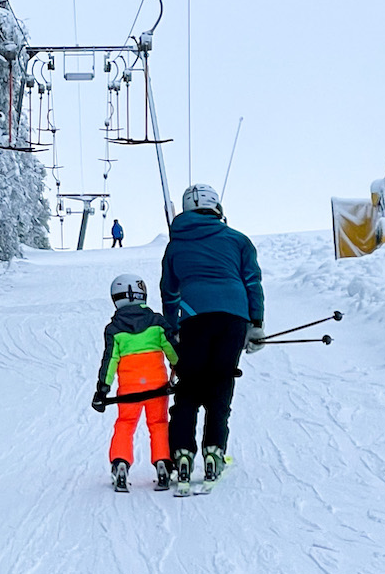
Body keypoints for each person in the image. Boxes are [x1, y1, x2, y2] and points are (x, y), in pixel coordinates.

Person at [159, 183, 263, 490]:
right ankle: (214, 450)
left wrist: (172, 327)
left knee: (189, 386)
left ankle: (181, 452)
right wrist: (255, 324)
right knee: (221, 381)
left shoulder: (175, 245)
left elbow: (169, 290)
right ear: (217, 208)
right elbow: (252, 282)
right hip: (233, 317)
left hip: (192, 317)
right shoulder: (238, 240)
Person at [91, 273, 176, 492]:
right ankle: (163, 464)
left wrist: (102, 388)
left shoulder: (114, 329)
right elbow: (172, 350)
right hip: (157, 386)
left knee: (125, 424)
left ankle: (120, 462)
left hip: (129, 389)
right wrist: (184, 370)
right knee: (158, 424)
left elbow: (110, 360)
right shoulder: (157, 323)